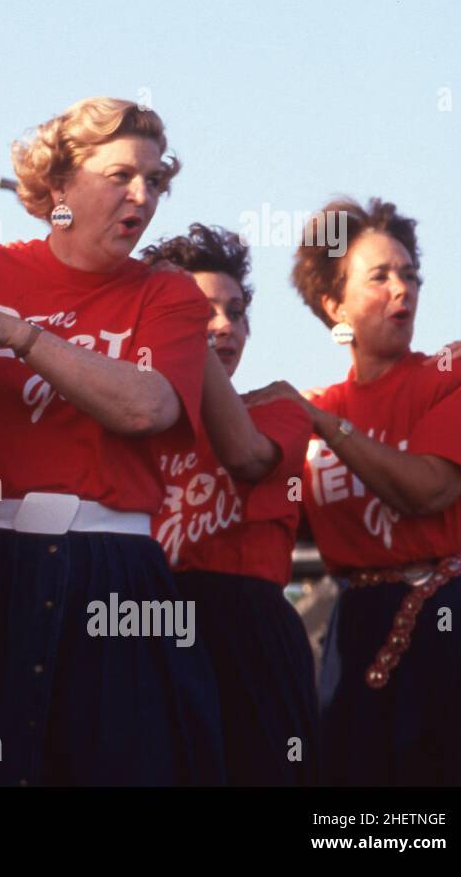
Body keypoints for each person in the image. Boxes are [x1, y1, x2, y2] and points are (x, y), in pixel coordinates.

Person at [0, 97, 224, 786]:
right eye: (120, 176)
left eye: (154, 181)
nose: (142, 196)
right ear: (58, 185)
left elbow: (147, 406)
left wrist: (21, 336)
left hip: (111, 566)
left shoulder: (168, 294)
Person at [251, 197, 461, 785]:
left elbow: (428, 492)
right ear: (334, 305)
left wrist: (325, 426)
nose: (402, 289)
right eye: (380, 276)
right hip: (356, 627)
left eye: (410, 274)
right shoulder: (311, 410)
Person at [140, 226, 319, 785]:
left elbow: (246, 457)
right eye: (201, 311)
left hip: (246, 633)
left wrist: (184, 327)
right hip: (145, 624)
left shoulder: (277, 410)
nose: (223, 326)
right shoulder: (134, 418)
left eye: (235, 312)